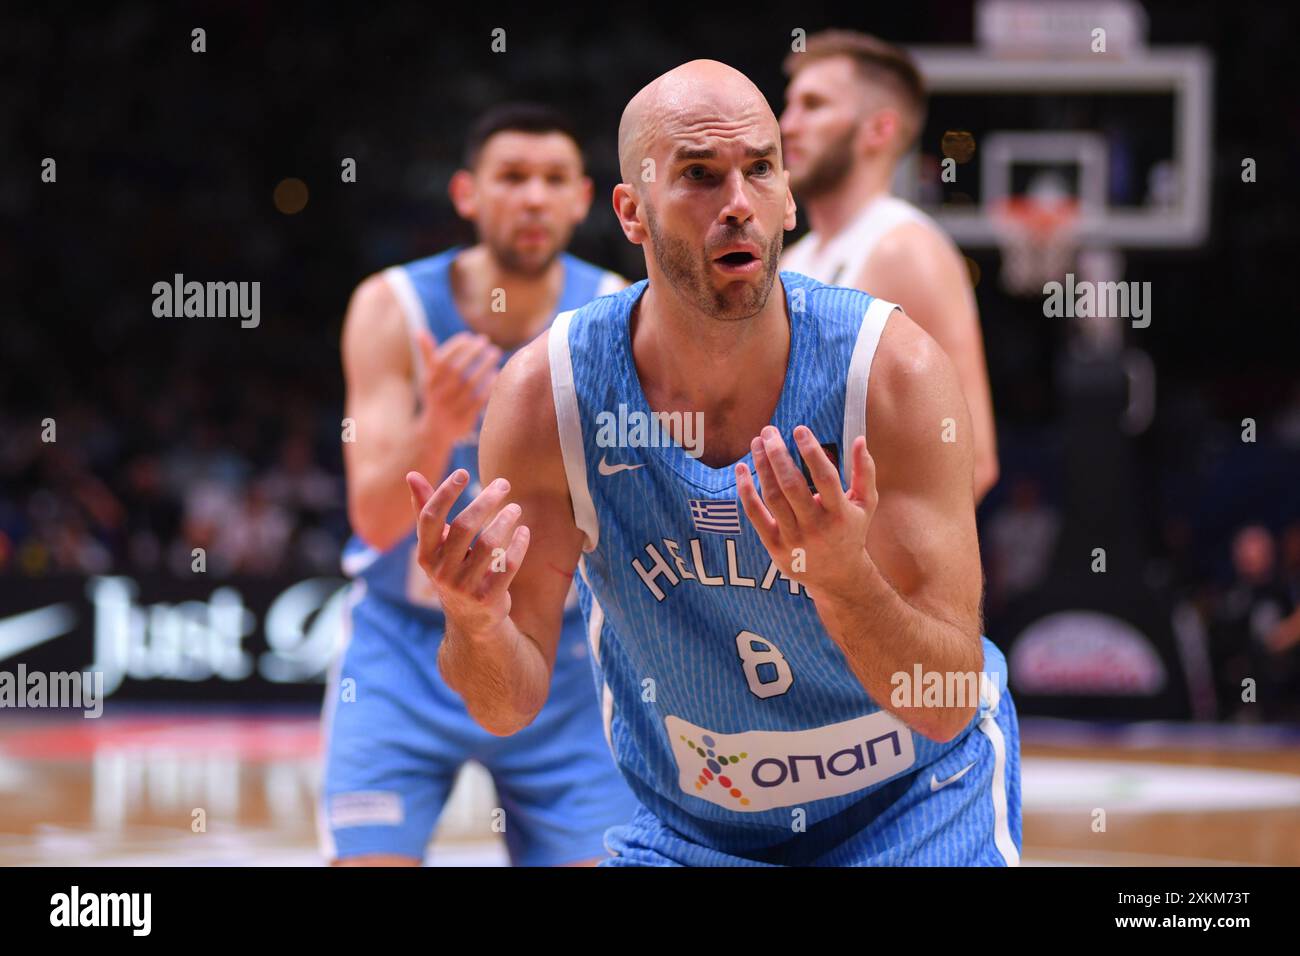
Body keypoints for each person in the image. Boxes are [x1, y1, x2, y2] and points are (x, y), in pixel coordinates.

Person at [408, 62, 1021, 866]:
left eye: (760, 169)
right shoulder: (546, 397)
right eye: (699, 175)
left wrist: (846, 581)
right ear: (631, 211)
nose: (738, 202)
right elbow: (506, 705)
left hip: (913, 801)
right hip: (694, 828)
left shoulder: (892, 372)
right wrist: (475, 624)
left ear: (789, 197)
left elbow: (944, 703)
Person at [321, 103, 637, 866]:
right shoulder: (390, 307)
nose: (532, 198)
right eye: (512, 177)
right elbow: (373, 520)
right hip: (403, 646)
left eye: (553, 180)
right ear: (466, 193)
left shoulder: (616, 312)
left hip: (561, 654)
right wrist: (438, 424)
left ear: (581, 199)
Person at [780, 31, 999, 502]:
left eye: (813, 105)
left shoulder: (907, 250)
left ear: (878, 130)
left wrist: (850, 549)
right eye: (790, 105)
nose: (788, 125)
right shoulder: (792, 259)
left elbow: (974, 460)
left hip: (854, 549)